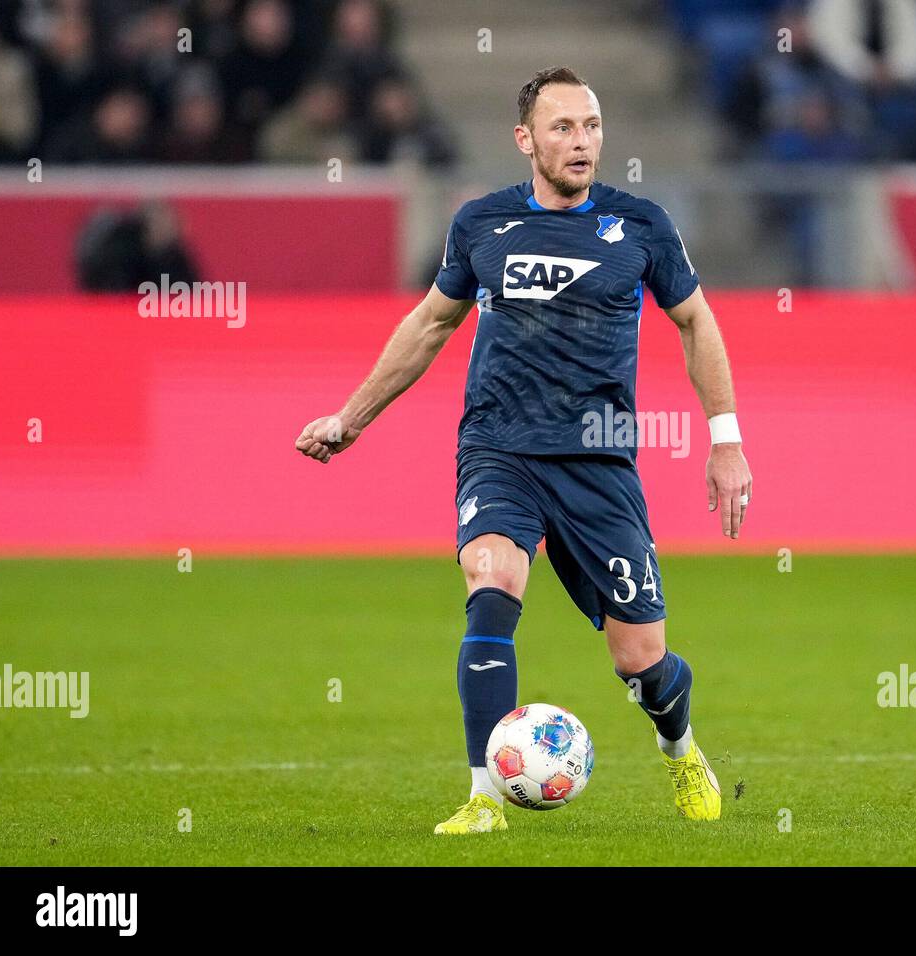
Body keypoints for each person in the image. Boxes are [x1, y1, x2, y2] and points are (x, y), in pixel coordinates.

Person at [294, 66, 752, 835]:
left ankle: (679, 747)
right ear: (525, 140)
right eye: (564, 128)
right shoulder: (481, 224)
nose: (582, 142)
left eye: (593, 126)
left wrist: (726, 441)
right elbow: (432, 325)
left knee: (641, 660)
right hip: (499, 447)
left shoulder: (640, 226)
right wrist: (352, 417)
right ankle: (483, 796)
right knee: (491, 575)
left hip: (598, 463)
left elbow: (697, 322)